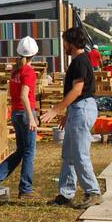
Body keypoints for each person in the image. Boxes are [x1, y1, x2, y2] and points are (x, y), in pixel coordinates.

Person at [41, 27, 102, 207]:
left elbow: (77, 90)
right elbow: (75, 93)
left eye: (65, 42)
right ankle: (66, 194)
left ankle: (93, 192)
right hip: (78, 109)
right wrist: (68, 113)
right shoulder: (79, 61)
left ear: (72, 43)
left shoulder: (80, 62)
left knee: (80, 153)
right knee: (69, 154)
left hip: (82, 108)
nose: (64, 45)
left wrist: (56, 110)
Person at [0, 36, 39, 197]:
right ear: (34, 55)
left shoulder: (16, 71)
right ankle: (26, 188)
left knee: (21, 150)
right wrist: (31, 117)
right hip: (25, 112)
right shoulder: (29, 72)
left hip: (16, 112)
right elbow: (24, 95)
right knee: (29, 151)